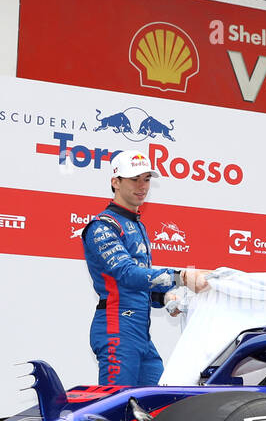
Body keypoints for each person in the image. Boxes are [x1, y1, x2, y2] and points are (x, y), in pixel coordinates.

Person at [82, 150, 207, 386]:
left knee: (157, 405)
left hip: (140, 333)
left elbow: (138, 283)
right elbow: (127, 274)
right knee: (116, 413)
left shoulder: (138, 225)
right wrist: (180, 277)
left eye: (147, 179)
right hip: (116, 329)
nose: (142, 186)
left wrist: (163, 296)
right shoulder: (102, 226)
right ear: (115, 182)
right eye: (134, 179)